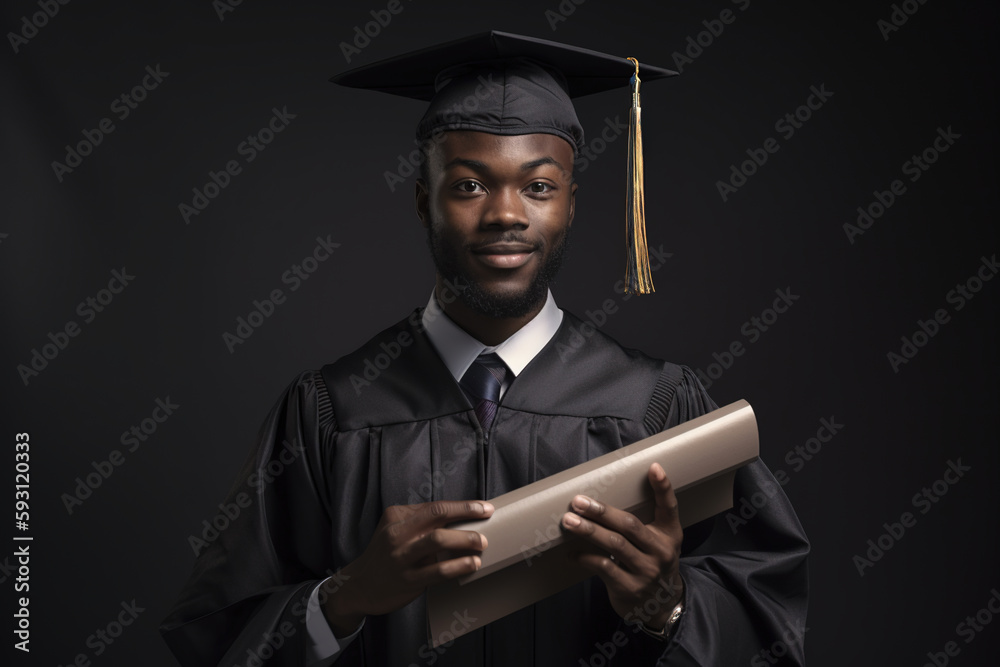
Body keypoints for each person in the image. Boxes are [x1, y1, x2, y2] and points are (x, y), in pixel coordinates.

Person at [160, 31, 809, 666]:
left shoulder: (657, 406)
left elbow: (771, 620)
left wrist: (670, 606)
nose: (506, 213)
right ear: (423, 201)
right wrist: (347, 596)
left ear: (571, 205)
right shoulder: (331, 410)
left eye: (538, 186)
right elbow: (216, 632)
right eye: (469, 185)